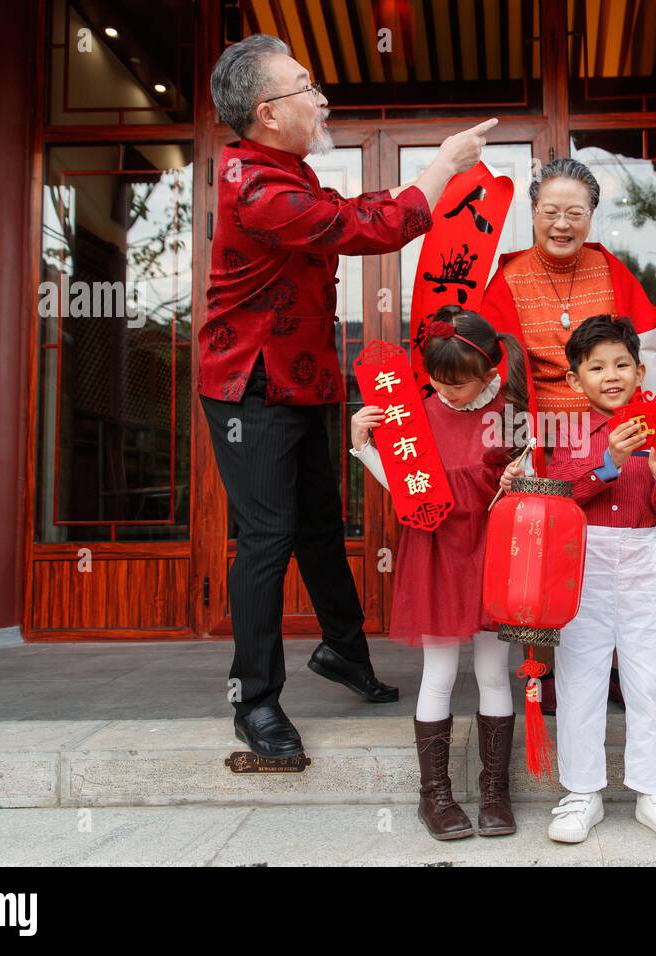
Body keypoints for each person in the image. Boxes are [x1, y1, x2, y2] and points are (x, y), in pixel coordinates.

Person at [200, 33, 498, 759]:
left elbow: (361, 205)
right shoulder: (256, 184)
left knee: (322, 527)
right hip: (249, 387)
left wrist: (419, 184)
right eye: (307, 86)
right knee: (267, 539)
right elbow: (362, 226)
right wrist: (441, 168)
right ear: (269, 111)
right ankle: (256, 700)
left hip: (300, 380)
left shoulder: (286, 170)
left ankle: (341, 650)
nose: (322, 98)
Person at [479, 157, 656, 713]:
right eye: (550, 211)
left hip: (613, 429)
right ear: (532, 212)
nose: (562, 223)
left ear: (592, 215)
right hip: (540, 431)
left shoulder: (609, 267)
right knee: (545, 555)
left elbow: (651, 340)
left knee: (610, 543)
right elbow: (490, 364)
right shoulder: (507, 276)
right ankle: (541, 674)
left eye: (576, 212)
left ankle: (610, 662)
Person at [501, 315, 656, 846]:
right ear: (574, 380)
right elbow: (555, 498)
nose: (611, 376)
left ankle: (653, 792)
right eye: (597, 367)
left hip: (642, 559)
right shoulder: (563, 435)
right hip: (580, 563)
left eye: (622, 365)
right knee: (580, 679)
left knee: (650, 679)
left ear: (640, 371)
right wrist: (608, 463)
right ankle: (581, 792)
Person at [351, 307, 527, 840]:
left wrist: (524, 475)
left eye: (460, 383)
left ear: (490, 368)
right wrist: (363, 445)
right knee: (440, 675)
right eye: (438, 382)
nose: (448, 393)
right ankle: (436, 796)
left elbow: (533, 487)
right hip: (437, 554)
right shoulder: (416, 415)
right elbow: (407, 491)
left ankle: (497, 790)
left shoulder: (511, 411)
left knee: (495, 673)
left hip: (495, 552)